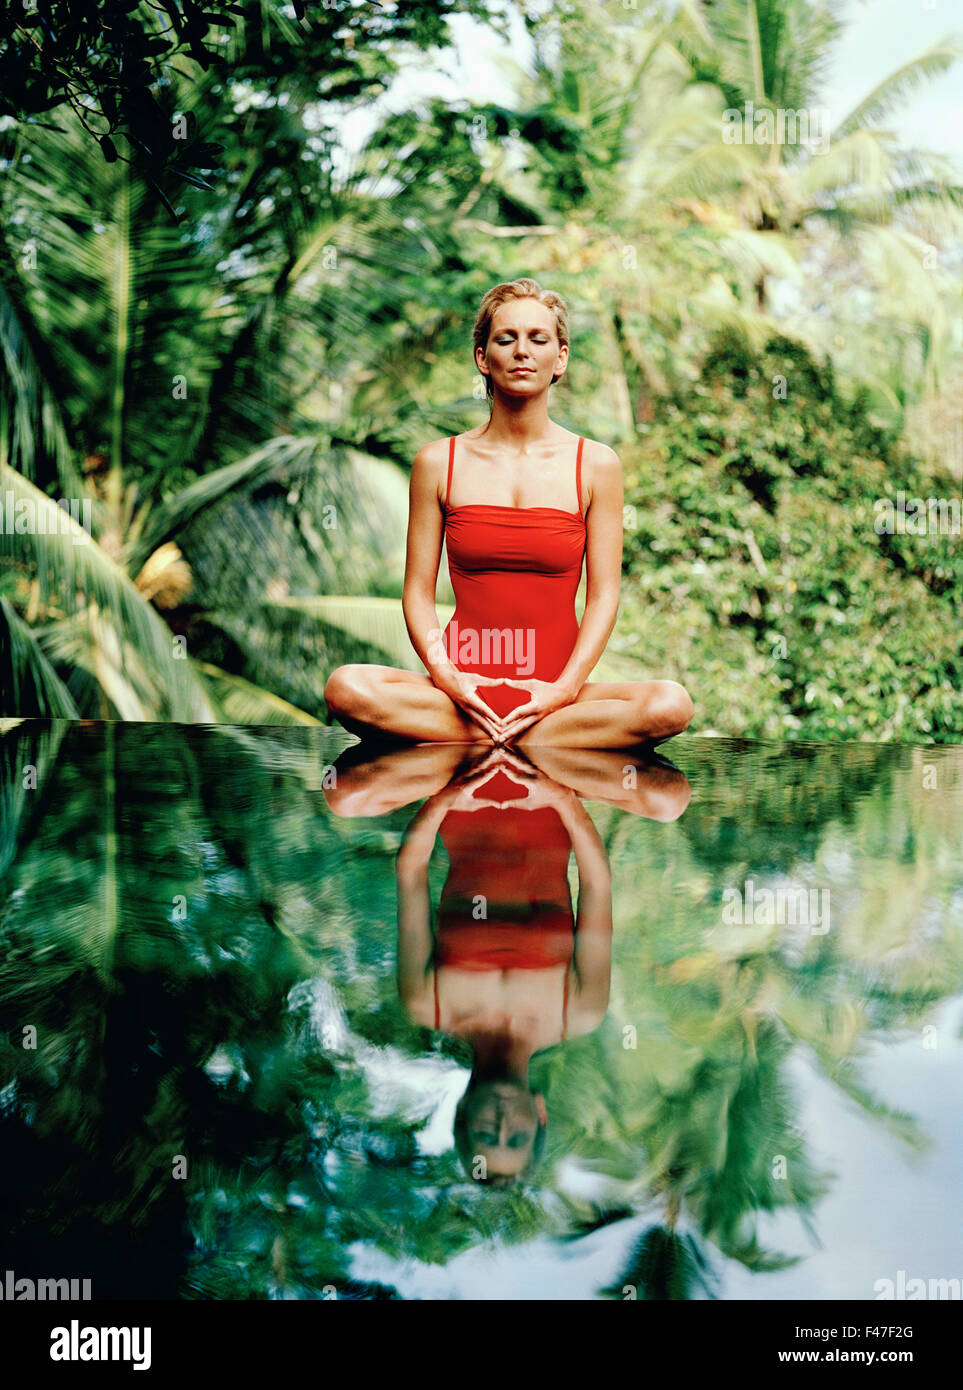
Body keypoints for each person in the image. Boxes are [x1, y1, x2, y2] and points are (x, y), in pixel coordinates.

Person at [324, 276, 694, 746]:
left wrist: (563, 690)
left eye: (538, 339)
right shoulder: (438, 462)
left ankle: (506, 733)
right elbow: (417, 593)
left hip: (556, 693)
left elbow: (604, 597)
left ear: (560, 358)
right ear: (483, 357)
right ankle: (524, 737)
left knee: (670, 703)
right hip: (461, 692)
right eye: (506, 338)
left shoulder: (597, 464)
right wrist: (448, 678)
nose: (522, 351)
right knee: (347, 688)